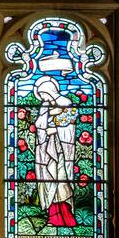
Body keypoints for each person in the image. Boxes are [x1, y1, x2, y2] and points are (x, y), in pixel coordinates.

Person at [33, 76, 78, 227]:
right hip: (46, 151)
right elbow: (39, 125)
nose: (42, 97)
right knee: (49, 182)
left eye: (43, 93)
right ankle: (53, 217)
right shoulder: (45, 106)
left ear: (50, 91)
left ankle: (66, 217)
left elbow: (69, 125)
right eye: (40, 94)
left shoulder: (65, 103)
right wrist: (49, 115)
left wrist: (56, 129)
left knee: (61, 181)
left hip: (61, 151)